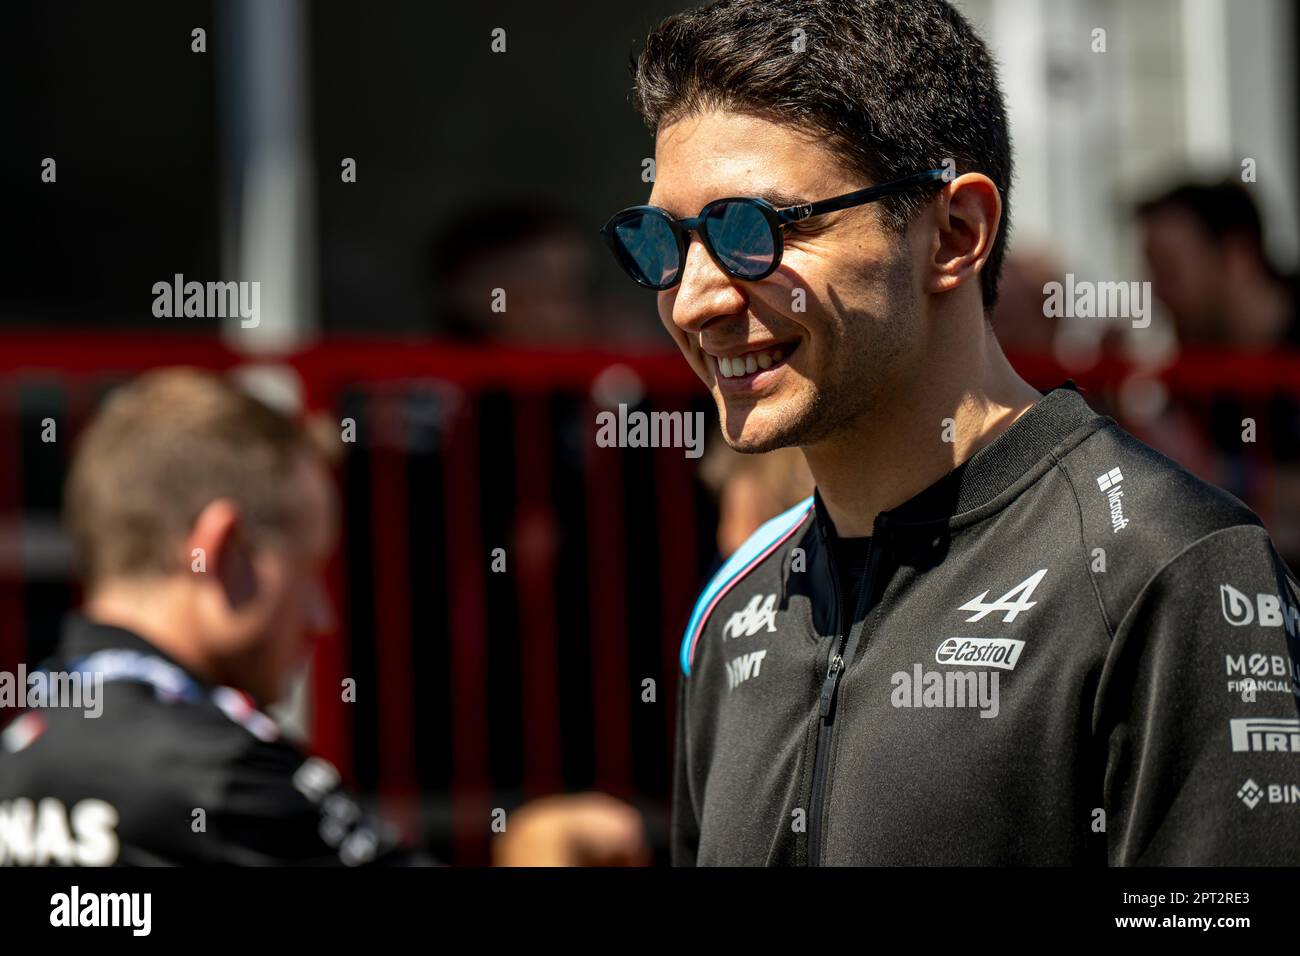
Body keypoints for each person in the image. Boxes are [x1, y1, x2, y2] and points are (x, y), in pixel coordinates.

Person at [601, 0, 1300, 865]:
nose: (696, 299)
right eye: (663, 241)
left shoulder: (1164, 564)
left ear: (955, 235)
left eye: (755, 231)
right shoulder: (735, 613)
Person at [0, 369, 647, 866]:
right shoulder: (223, 777)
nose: (321, 614)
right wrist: (539, 847)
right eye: (308, 567)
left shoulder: (22, 752)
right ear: (220, 550)